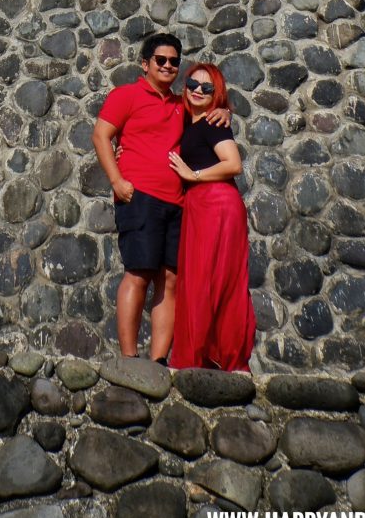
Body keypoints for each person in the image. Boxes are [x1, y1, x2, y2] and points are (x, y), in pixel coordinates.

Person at [91, 33, 229, 359]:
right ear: (145, 64)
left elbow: (208, 107)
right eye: (161, 60)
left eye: (173, 61)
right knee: (138, 274)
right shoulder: (126, 95)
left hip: (178, 202)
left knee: (169, 281)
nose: (168, 66)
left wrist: (225, 112)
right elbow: (101, 135)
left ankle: (157, 361)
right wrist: (116, 181)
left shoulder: (182, 103)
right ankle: (129, 359)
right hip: (139, 197)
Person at [166, 61, 256, 371]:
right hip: (202, 205)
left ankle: (214, 357)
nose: (199, 91)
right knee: (204, 280)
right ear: (184, 87)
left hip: (215, 203)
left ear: (217, 93)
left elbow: (233, 164)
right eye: (193, 85)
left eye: (208, 88)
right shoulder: (190, 123)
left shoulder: (212, 122)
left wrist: (195, 174)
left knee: (212, 280)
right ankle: (210, 356)